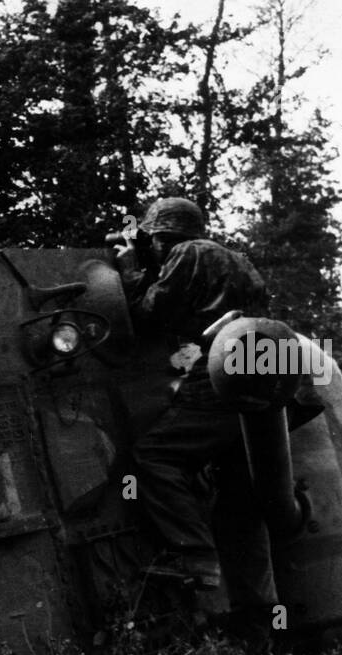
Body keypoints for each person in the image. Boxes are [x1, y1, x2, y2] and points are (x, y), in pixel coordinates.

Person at [115, 196, 273, 610]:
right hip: (269, 380)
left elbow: (148, 314)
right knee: (240, 497)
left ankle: (195, 556)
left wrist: (132, 270)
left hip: (226, 373)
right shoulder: (237, 259)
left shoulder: (185, 253)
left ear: (163, 236)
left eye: (152, 241)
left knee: (154, 456)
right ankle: (254, 620)